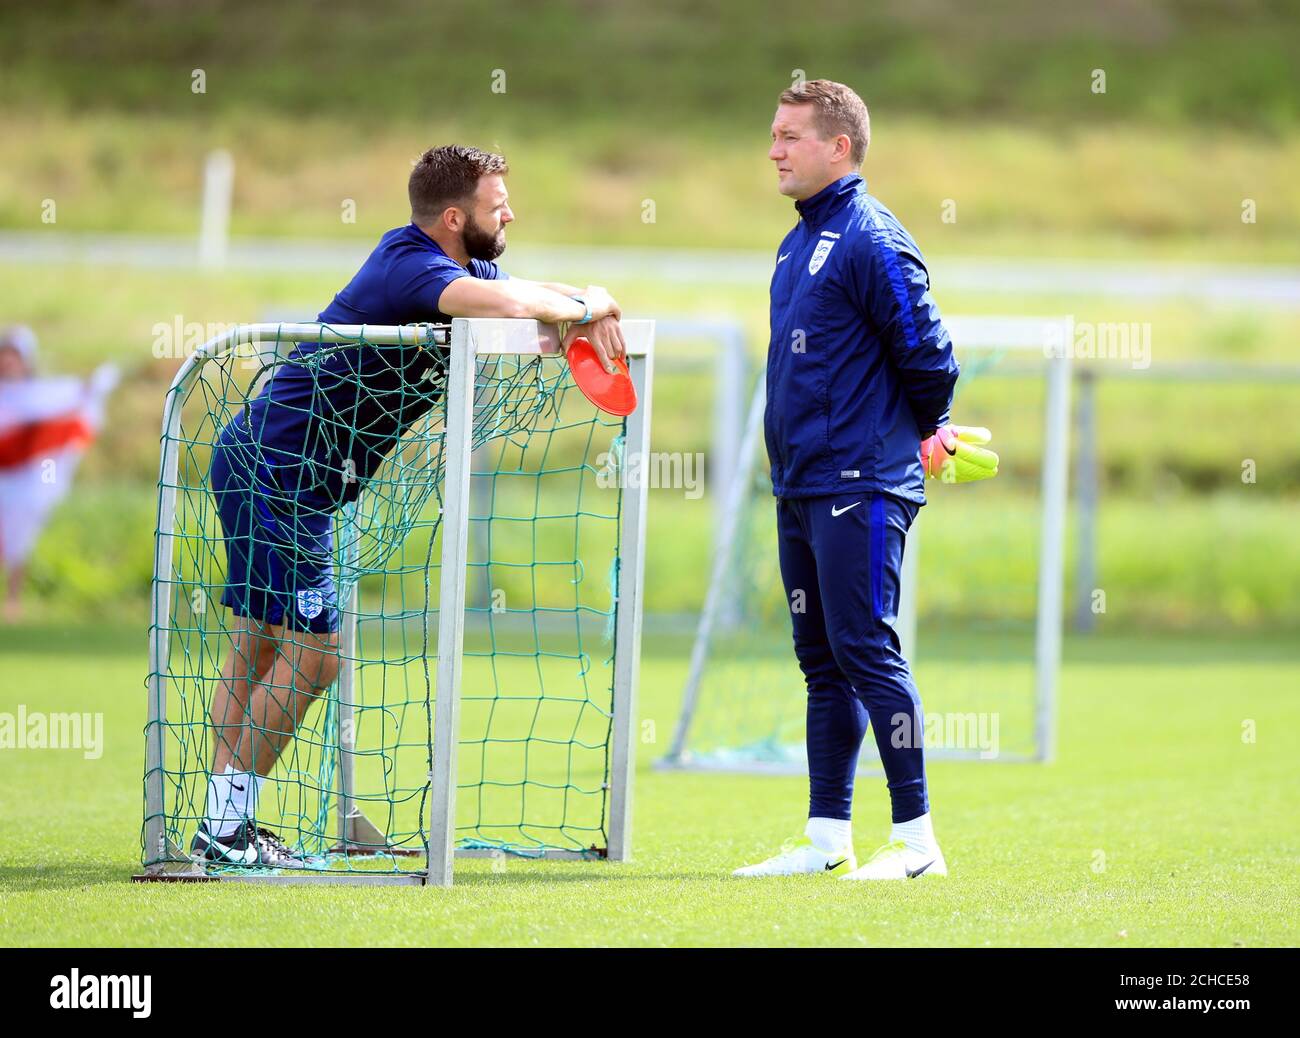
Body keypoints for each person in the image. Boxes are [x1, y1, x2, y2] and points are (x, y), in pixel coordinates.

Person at [194, 144, 628, 867]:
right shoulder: (414, 268)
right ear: (455, 217)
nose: (510, 213)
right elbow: (511, 303)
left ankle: (223, 823)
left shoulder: (460, 264)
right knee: (317, 654)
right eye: (498, 205)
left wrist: (589, 297)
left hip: (285, 472)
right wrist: (587, 306)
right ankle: (226, 829)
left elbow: (526, 288)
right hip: (276, 471)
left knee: (261, 643)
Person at [734, 80, 961, 880]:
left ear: (840, 147)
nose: (774, 150)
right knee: (822, 661)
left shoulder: (872, 236)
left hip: (862, 483)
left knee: (868, 650)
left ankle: (918, 843)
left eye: (790, 136)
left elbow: (931, 357)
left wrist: (927, 426)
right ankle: (827, 838)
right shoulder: (796, 243)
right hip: (801, 484)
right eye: (774, 134)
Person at [0, 325, 118, 622]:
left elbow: (73, 399)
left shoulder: (39, 395)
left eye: (14, 356)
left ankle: (13, 602)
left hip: (23, 484)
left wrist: (97, 384)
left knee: (18, 541)